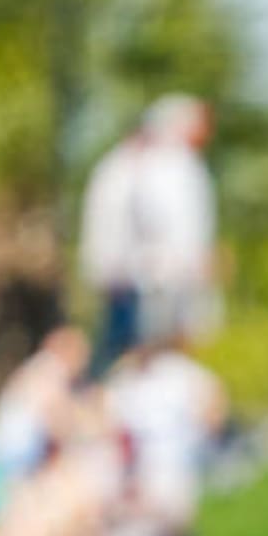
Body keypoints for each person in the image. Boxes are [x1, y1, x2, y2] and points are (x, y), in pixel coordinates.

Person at [79, 93, 219, 377]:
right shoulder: (154, 164)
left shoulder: (155, 163)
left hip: (145, 273)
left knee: (157, 345)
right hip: (139, 276)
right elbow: (154, 223)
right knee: (131, 347)